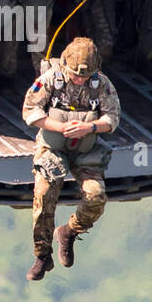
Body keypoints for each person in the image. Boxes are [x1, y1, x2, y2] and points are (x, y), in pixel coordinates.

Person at [20, 36, 121, 281]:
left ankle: (69, 232)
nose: (79, 80)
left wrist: (91, 128)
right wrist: (57, 126)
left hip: (85, 151)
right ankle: (42, 255)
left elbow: (112, 117)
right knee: (44, 193)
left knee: (96, 197)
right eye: (75, 75)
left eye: (84, 76)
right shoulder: (50, 80)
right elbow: (29, 111)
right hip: (53, 148)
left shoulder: (102, 85)